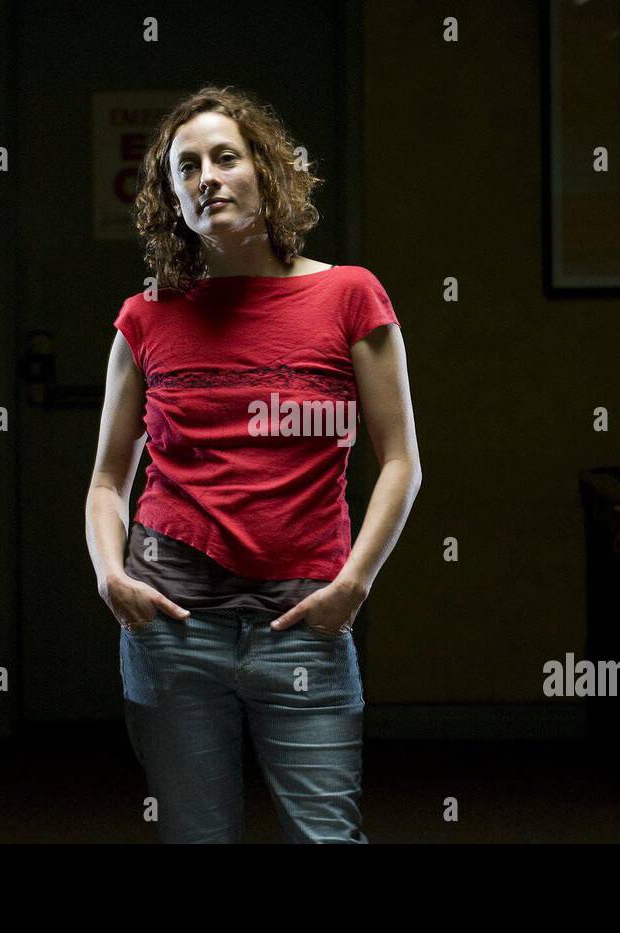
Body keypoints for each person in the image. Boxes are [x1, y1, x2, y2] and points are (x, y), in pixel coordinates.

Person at [85, 85, 421, 843]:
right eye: (188, 166)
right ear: (173, 196)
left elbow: (401, 460)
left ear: (265, 172)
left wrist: (354, 586)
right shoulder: (145, 316)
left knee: (327, 837)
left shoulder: (349, 295)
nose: (209, 176)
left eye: (226, 157)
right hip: (172, 621)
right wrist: (111, 573)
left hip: (305, 619)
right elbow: (109, 477)